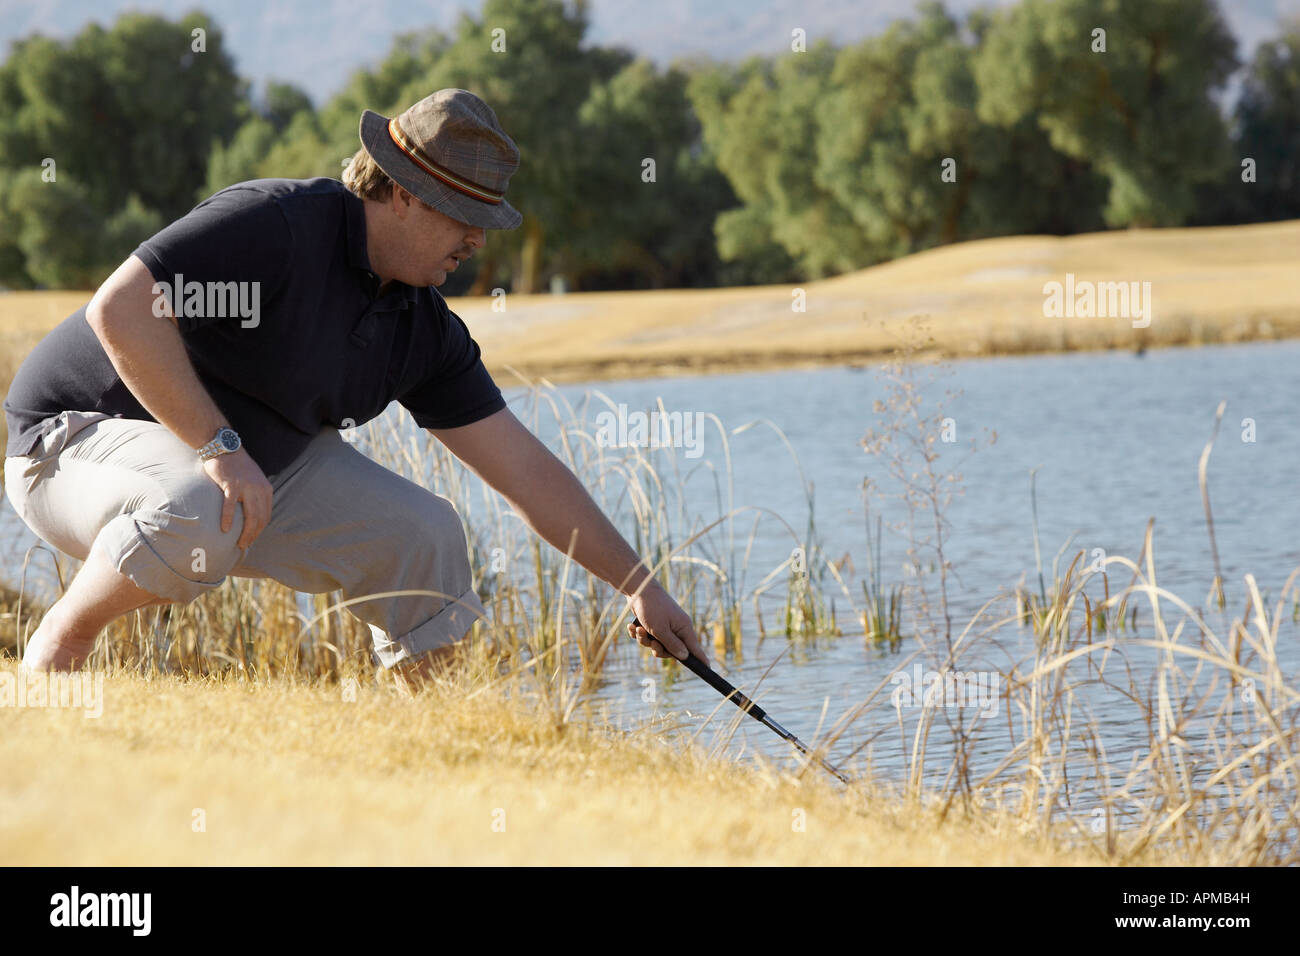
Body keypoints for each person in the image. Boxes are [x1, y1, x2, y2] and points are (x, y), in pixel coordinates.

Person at [2, 88, 705, 680]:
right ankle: (63, 640)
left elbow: (525, 470)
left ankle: (436, 751)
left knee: (425, 534)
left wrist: (641, 588)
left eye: (488, 222)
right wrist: (220, 447)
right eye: (466, 218)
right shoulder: (275, 225)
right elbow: (120, 309)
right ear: (402, 193)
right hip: (66, 447)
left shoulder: (423, 327)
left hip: (239, 477)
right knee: (199, 501)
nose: (478, 242)